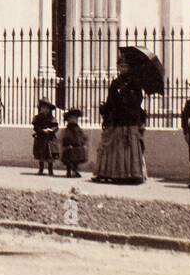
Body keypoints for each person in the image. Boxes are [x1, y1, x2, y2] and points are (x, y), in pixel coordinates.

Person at [93, 54, 147, 184]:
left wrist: (126, 94)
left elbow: (138, 101)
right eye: (121, 66)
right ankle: (116, 174)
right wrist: (105, 110)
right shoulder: (115, 83)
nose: (123, 69)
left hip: (130, 120)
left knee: (130, 147)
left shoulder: (135, 83)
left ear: (129, 68)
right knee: (115, 146)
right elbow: (110, 100)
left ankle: (132, 174)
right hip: (117, 119)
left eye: (125, 66)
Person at [31, 98, 59, 176]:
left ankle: (50, 169)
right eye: (43, 107)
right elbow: (35, 127)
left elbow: (56, 127)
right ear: (40, 108)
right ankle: (41, 169)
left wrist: (51, 130)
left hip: (50, 139)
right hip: (40, 138)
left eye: (47, 108)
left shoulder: (52, 118)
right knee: (41, 155)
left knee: (50, 155)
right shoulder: (37, 118)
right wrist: (42, 130)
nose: (45, 109)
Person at [60, 108, 89, 179]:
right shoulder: (68, 129)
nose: (73, 120)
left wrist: (83, 142)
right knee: (69, 158)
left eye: (75, 118)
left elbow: (81, 136)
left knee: (77, 159)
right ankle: (69, 170)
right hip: (70, 146)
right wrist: (67, 144)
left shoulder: (78, 128)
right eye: (72, 118)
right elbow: (66, 137)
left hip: (77, 146)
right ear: (68, 119)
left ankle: (75, 170)